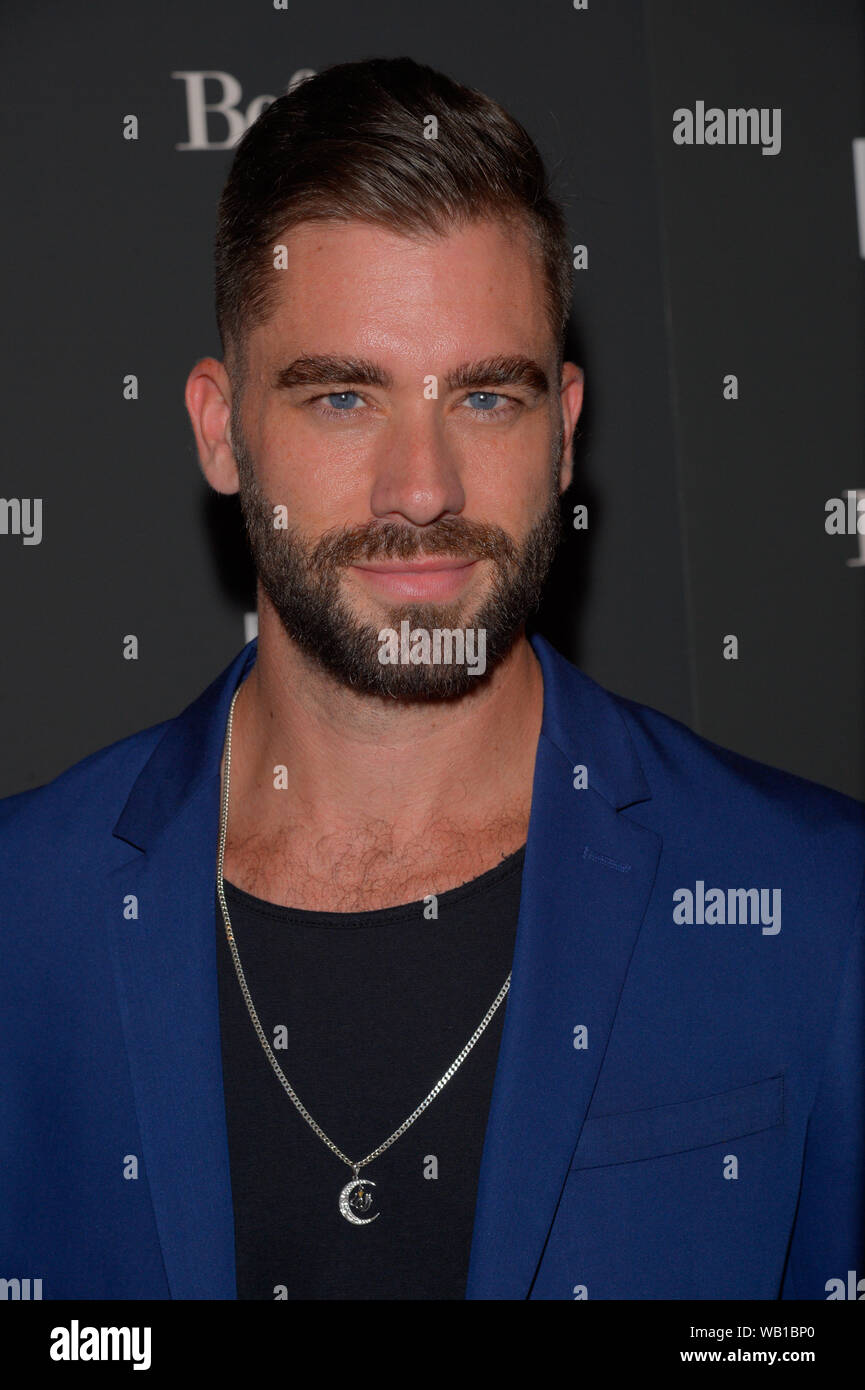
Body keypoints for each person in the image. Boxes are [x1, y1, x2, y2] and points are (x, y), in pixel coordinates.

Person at [1, 56, 862, 1302]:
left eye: (486, 397)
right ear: (219, 428)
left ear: (564, 429)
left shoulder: (812, 905)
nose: (424, 486)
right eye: (344, 396)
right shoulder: (28, 919)